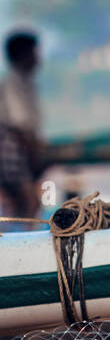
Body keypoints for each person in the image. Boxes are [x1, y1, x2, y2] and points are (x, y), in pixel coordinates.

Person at [0, 30, 43, 220]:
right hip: (11, 147)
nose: (38, 58)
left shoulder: (26, 83)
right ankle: (23, 240)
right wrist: (35, 151)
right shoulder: (12, 83)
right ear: (23, 55)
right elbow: (19, 124)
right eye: (34, 52)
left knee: (26, 200)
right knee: (29, 199)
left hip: (21, 147)